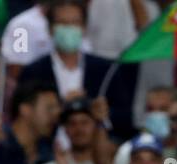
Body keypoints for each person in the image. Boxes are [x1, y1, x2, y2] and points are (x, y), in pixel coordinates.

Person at [17, 0, 136, 140]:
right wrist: (60, 107)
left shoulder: (105, 70)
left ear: (84, 28)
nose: (69, 28)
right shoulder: (33, 72)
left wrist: (104, 113)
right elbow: (24, 117)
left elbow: (126, 116)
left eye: (75, 23)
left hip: (95, 150)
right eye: (62, 23)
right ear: (50, 29)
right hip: (48, 150)